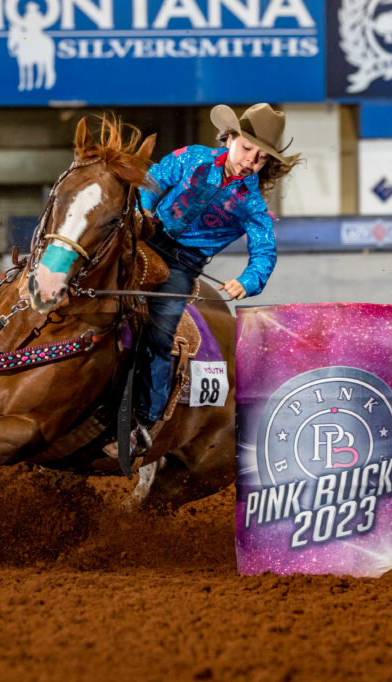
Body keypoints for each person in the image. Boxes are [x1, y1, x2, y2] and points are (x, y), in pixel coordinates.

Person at [104, 103, 301, 457]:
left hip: (181, 265)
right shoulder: (192, 158)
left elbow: (264, 253)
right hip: (145, 237)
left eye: (259, 158)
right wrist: (141, 208)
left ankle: (145, 423)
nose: (249, 161)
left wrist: (247, 281)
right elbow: (153, 180)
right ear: (230, 138)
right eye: (246, 149)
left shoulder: (252, 205)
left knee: (161, 332)